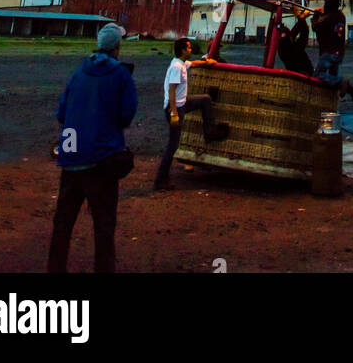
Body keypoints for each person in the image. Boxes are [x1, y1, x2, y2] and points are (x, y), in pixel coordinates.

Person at [47, 22, 137, 274]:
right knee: (104, 227)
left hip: (71, 157)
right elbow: (126, 115)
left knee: (62, 224)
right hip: (102, 160)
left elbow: (61, 113)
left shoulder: (77, 73)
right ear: (117, 47)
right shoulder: (121, 76)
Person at [153, 39, 230, 190]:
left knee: (205, 100)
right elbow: (171, 90)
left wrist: (206, 62)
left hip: (182, 104)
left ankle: (209, 132)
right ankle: (160, 180)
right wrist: (174, 113)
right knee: (173, 146)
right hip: (175, 108)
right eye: (188, 47)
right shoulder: (176, 67)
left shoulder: (181, 63)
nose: (190, 49)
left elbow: (193, 64)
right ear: (182, 50)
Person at [311, 0, 353, 102]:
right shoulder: (340, 16)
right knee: (331, 80)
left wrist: (315, 16)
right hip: (339, 52)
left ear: (330, 5)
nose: (324, 6)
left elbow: (316, 27)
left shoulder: (330, 18)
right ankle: (348, 91)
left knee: (318, 75)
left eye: (326, 3)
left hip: (329, 52)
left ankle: (342, 83)